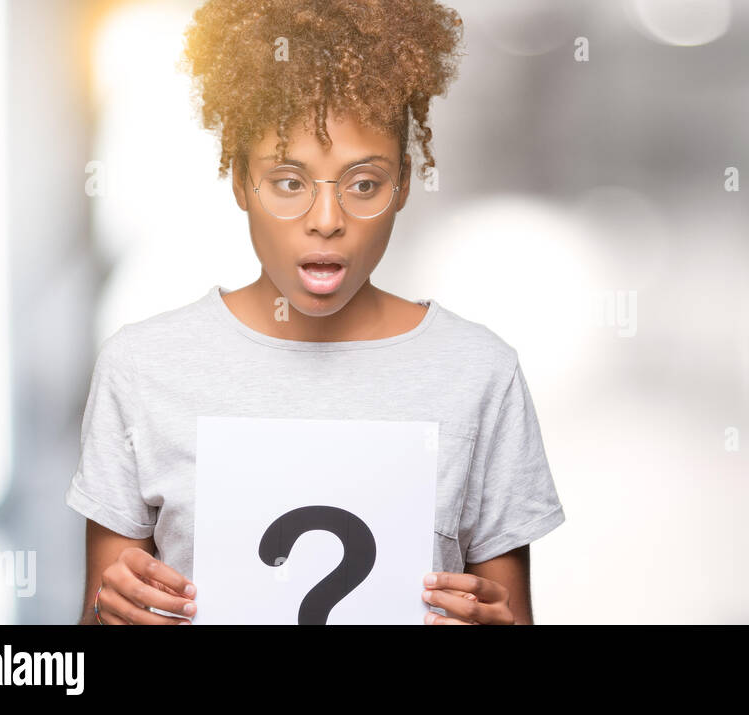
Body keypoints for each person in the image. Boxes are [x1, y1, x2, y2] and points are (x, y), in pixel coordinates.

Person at [66, 0, 565, 625]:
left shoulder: (479, 374)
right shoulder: (142, 368)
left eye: (362, 183)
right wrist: (110, 613)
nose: (326, 220)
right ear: (239, 178)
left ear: (405, 182)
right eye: (287, 181)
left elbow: (512, 616)